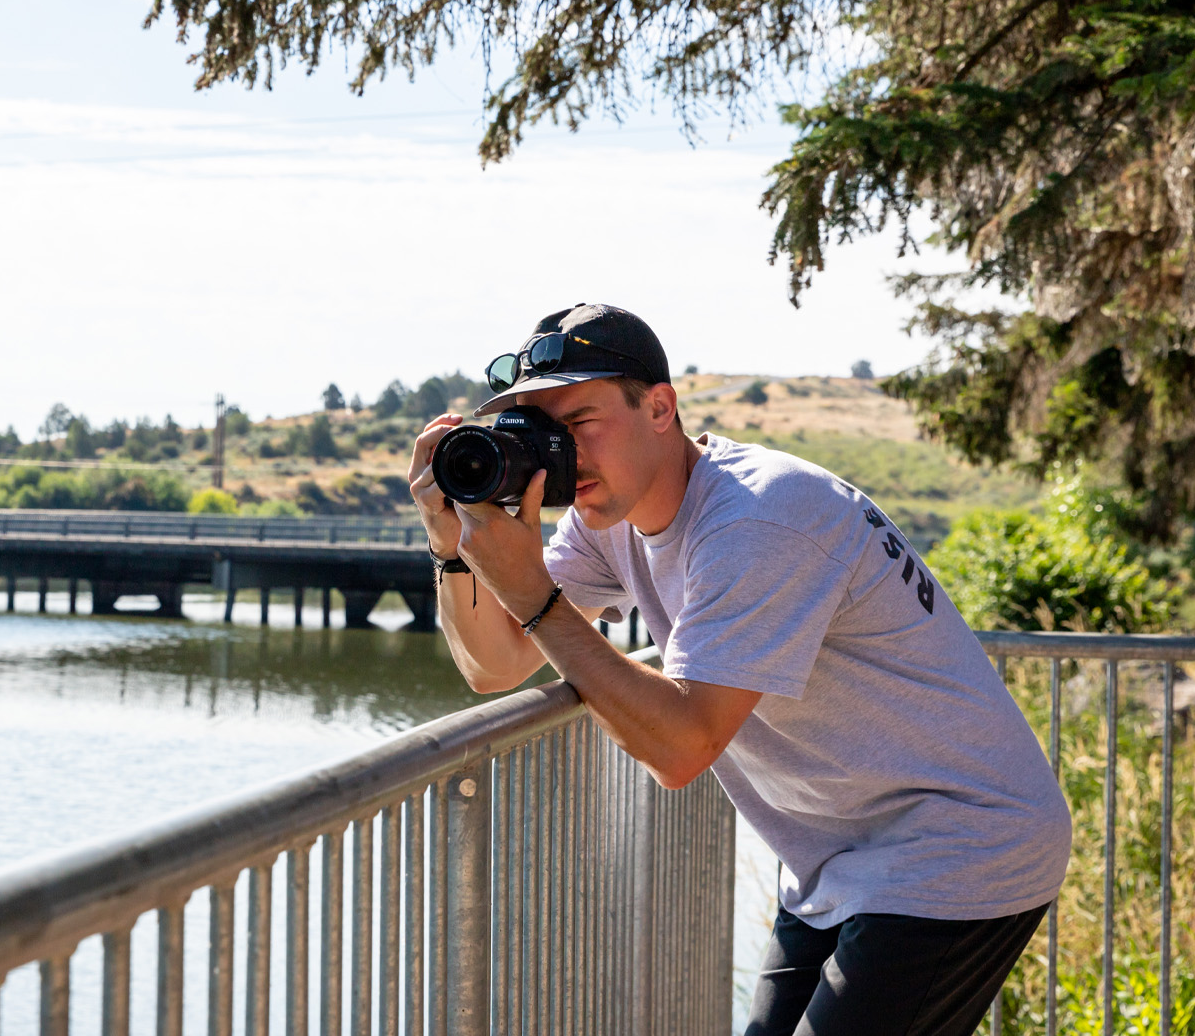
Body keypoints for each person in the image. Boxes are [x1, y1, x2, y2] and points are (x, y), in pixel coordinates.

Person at [408, 303, 1070, 1036]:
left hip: (959, 847)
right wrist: (450, 541)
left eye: (578, 422)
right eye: (537, 429)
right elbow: (494, 663)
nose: (560, 452)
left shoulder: (758, 517)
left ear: (660, 407)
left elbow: (681, 744)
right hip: (835, 860)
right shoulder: (610, 521)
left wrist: (534, 594)